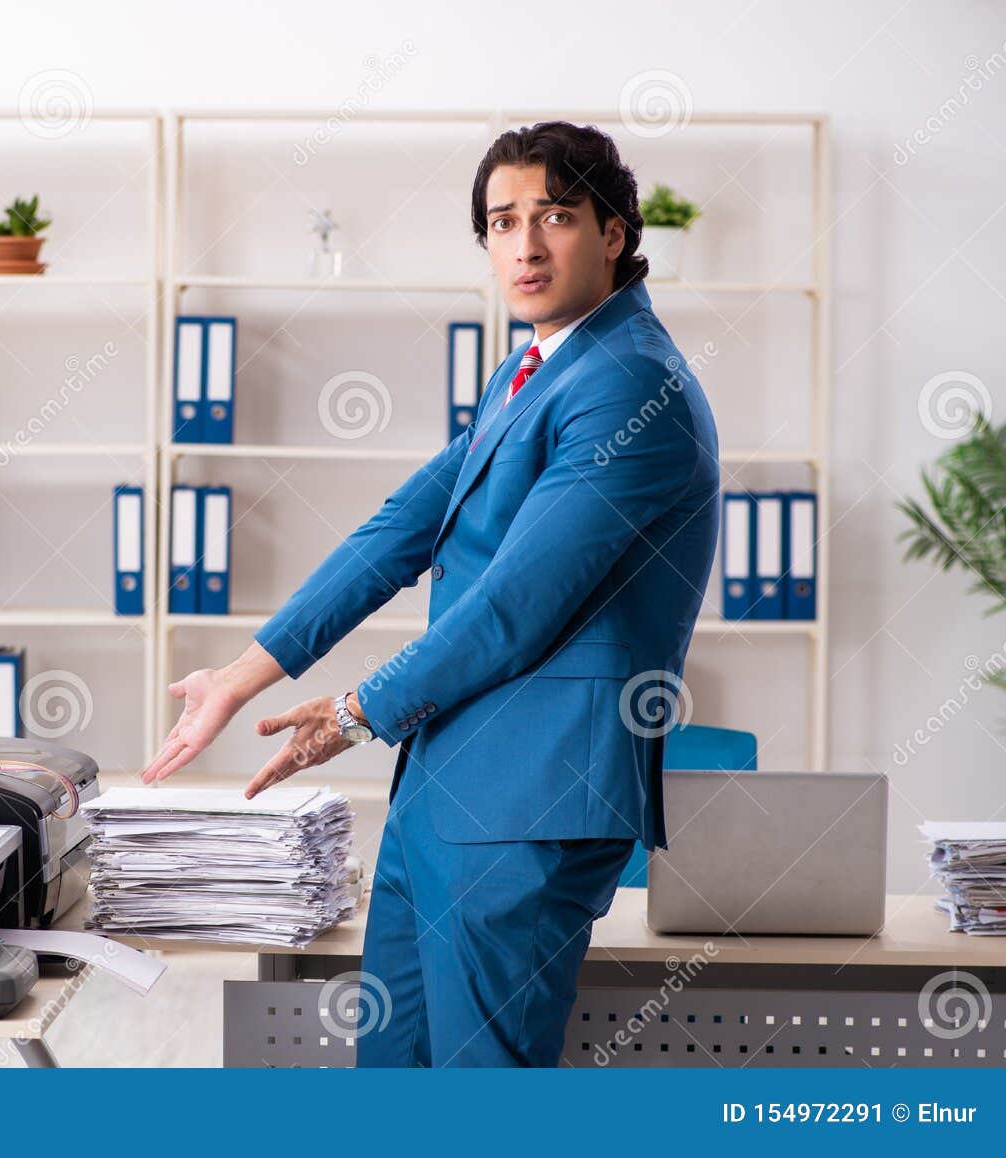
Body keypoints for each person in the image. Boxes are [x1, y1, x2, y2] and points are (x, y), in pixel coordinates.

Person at [138, 120, 721, 1067]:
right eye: (501, 222)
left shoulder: (627, 385)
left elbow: (512, 606)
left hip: (526, 808)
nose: (525, 246)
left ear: (614, 232)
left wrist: (358, 711)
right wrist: (245, 673)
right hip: (443, 795)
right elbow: (402, 529)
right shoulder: (536, 367)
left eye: (556, 217)